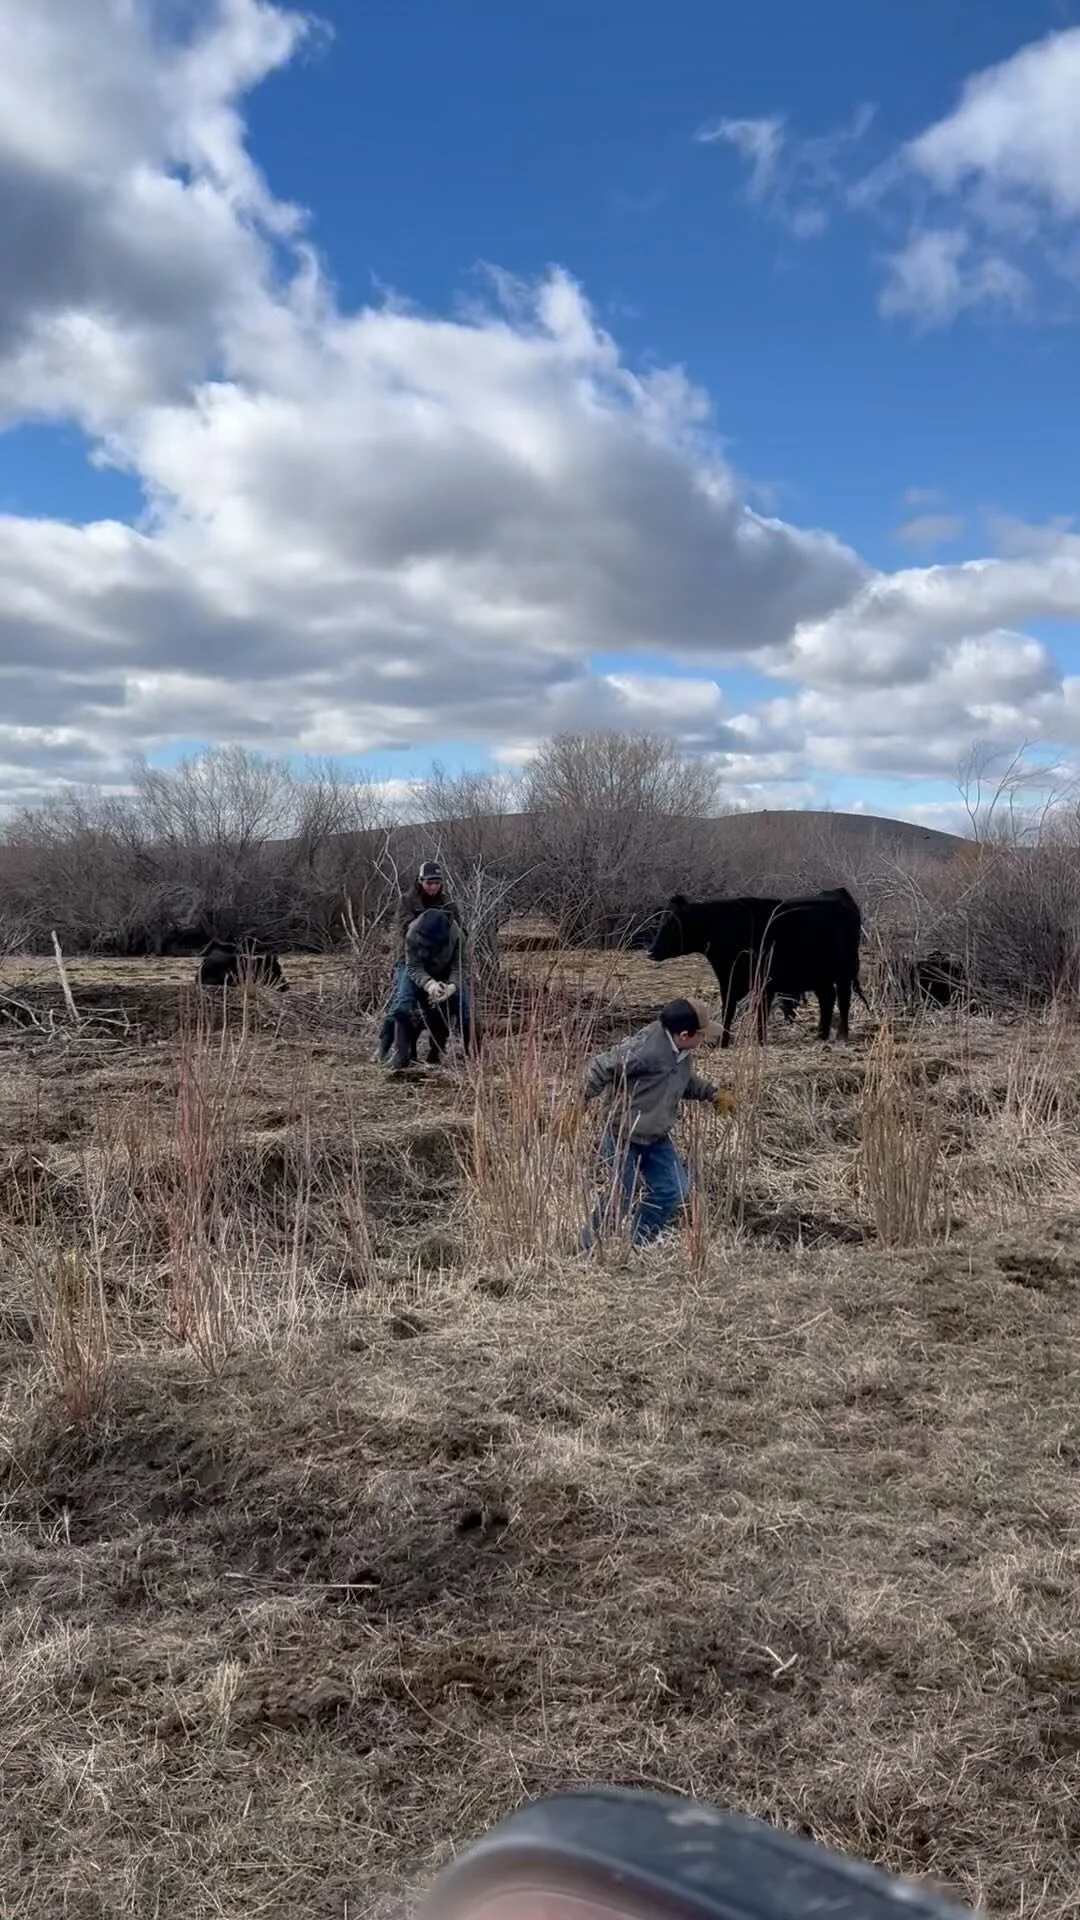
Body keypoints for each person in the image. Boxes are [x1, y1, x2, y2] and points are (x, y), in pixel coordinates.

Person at [580, 997, 736, 1250]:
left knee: (672, 1189)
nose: (705, 1040)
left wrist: (712, 1093)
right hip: (624, 1133)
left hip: (655, 1135)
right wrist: (578, 1102)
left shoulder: (681, 1052)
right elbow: (602, 1065)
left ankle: (638, 1241)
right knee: (621, 1195)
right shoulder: (646, 1051)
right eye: (702, 1035)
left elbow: (680, 1081)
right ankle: (588, 1247)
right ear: (684, 1035)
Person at [374, 862, 463, 1063]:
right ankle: (385, 1047)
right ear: (420, 881)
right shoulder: (407, 901)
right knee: (402, 1003)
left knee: (446, 1005)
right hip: (409, 959)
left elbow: (459, 929)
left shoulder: (448, 903)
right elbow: (404, 929)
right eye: (429, 882)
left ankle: (438, 1049)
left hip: (440, 961)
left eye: (437, 883)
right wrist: (428, 924)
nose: (433, 887)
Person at [386, 907, 476, 1068]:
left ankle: (471, 1056)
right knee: (403, 1005)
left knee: (466, 1011)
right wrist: (429, 984)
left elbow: (460, 965)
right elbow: (413, 966)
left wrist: (452, 986)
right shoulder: (412, 933)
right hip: (420, 972)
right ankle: (401, 1054)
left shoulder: (456, 934)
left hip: (448, 973)